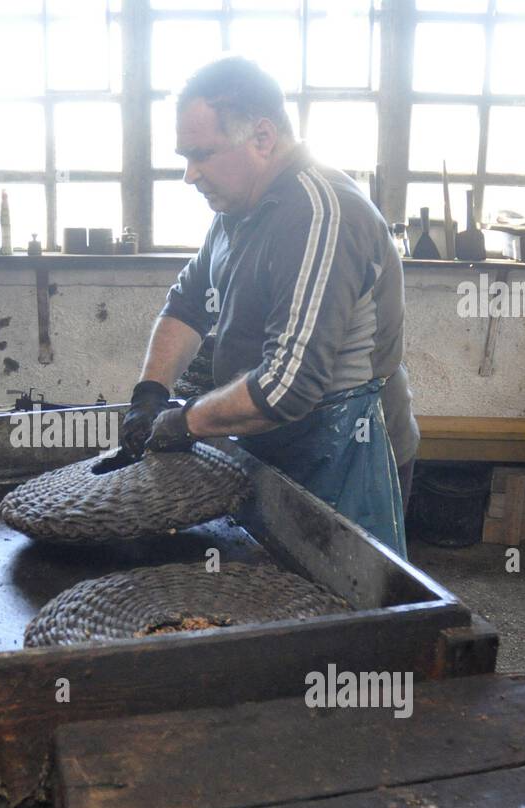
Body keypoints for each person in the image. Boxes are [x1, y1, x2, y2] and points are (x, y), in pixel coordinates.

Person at [120, 58, 418, 555]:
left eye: (202, 155)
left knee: (342, 598)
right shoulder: (237, 211)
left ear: (262, 137)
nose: (189, 175)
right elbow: (188, 305)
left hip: (348, 452)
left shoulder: (320, 215)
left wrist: (183, 421)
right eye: (185, 157)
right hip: (271, 441)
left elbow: (288, 388)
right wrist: (150, 394)